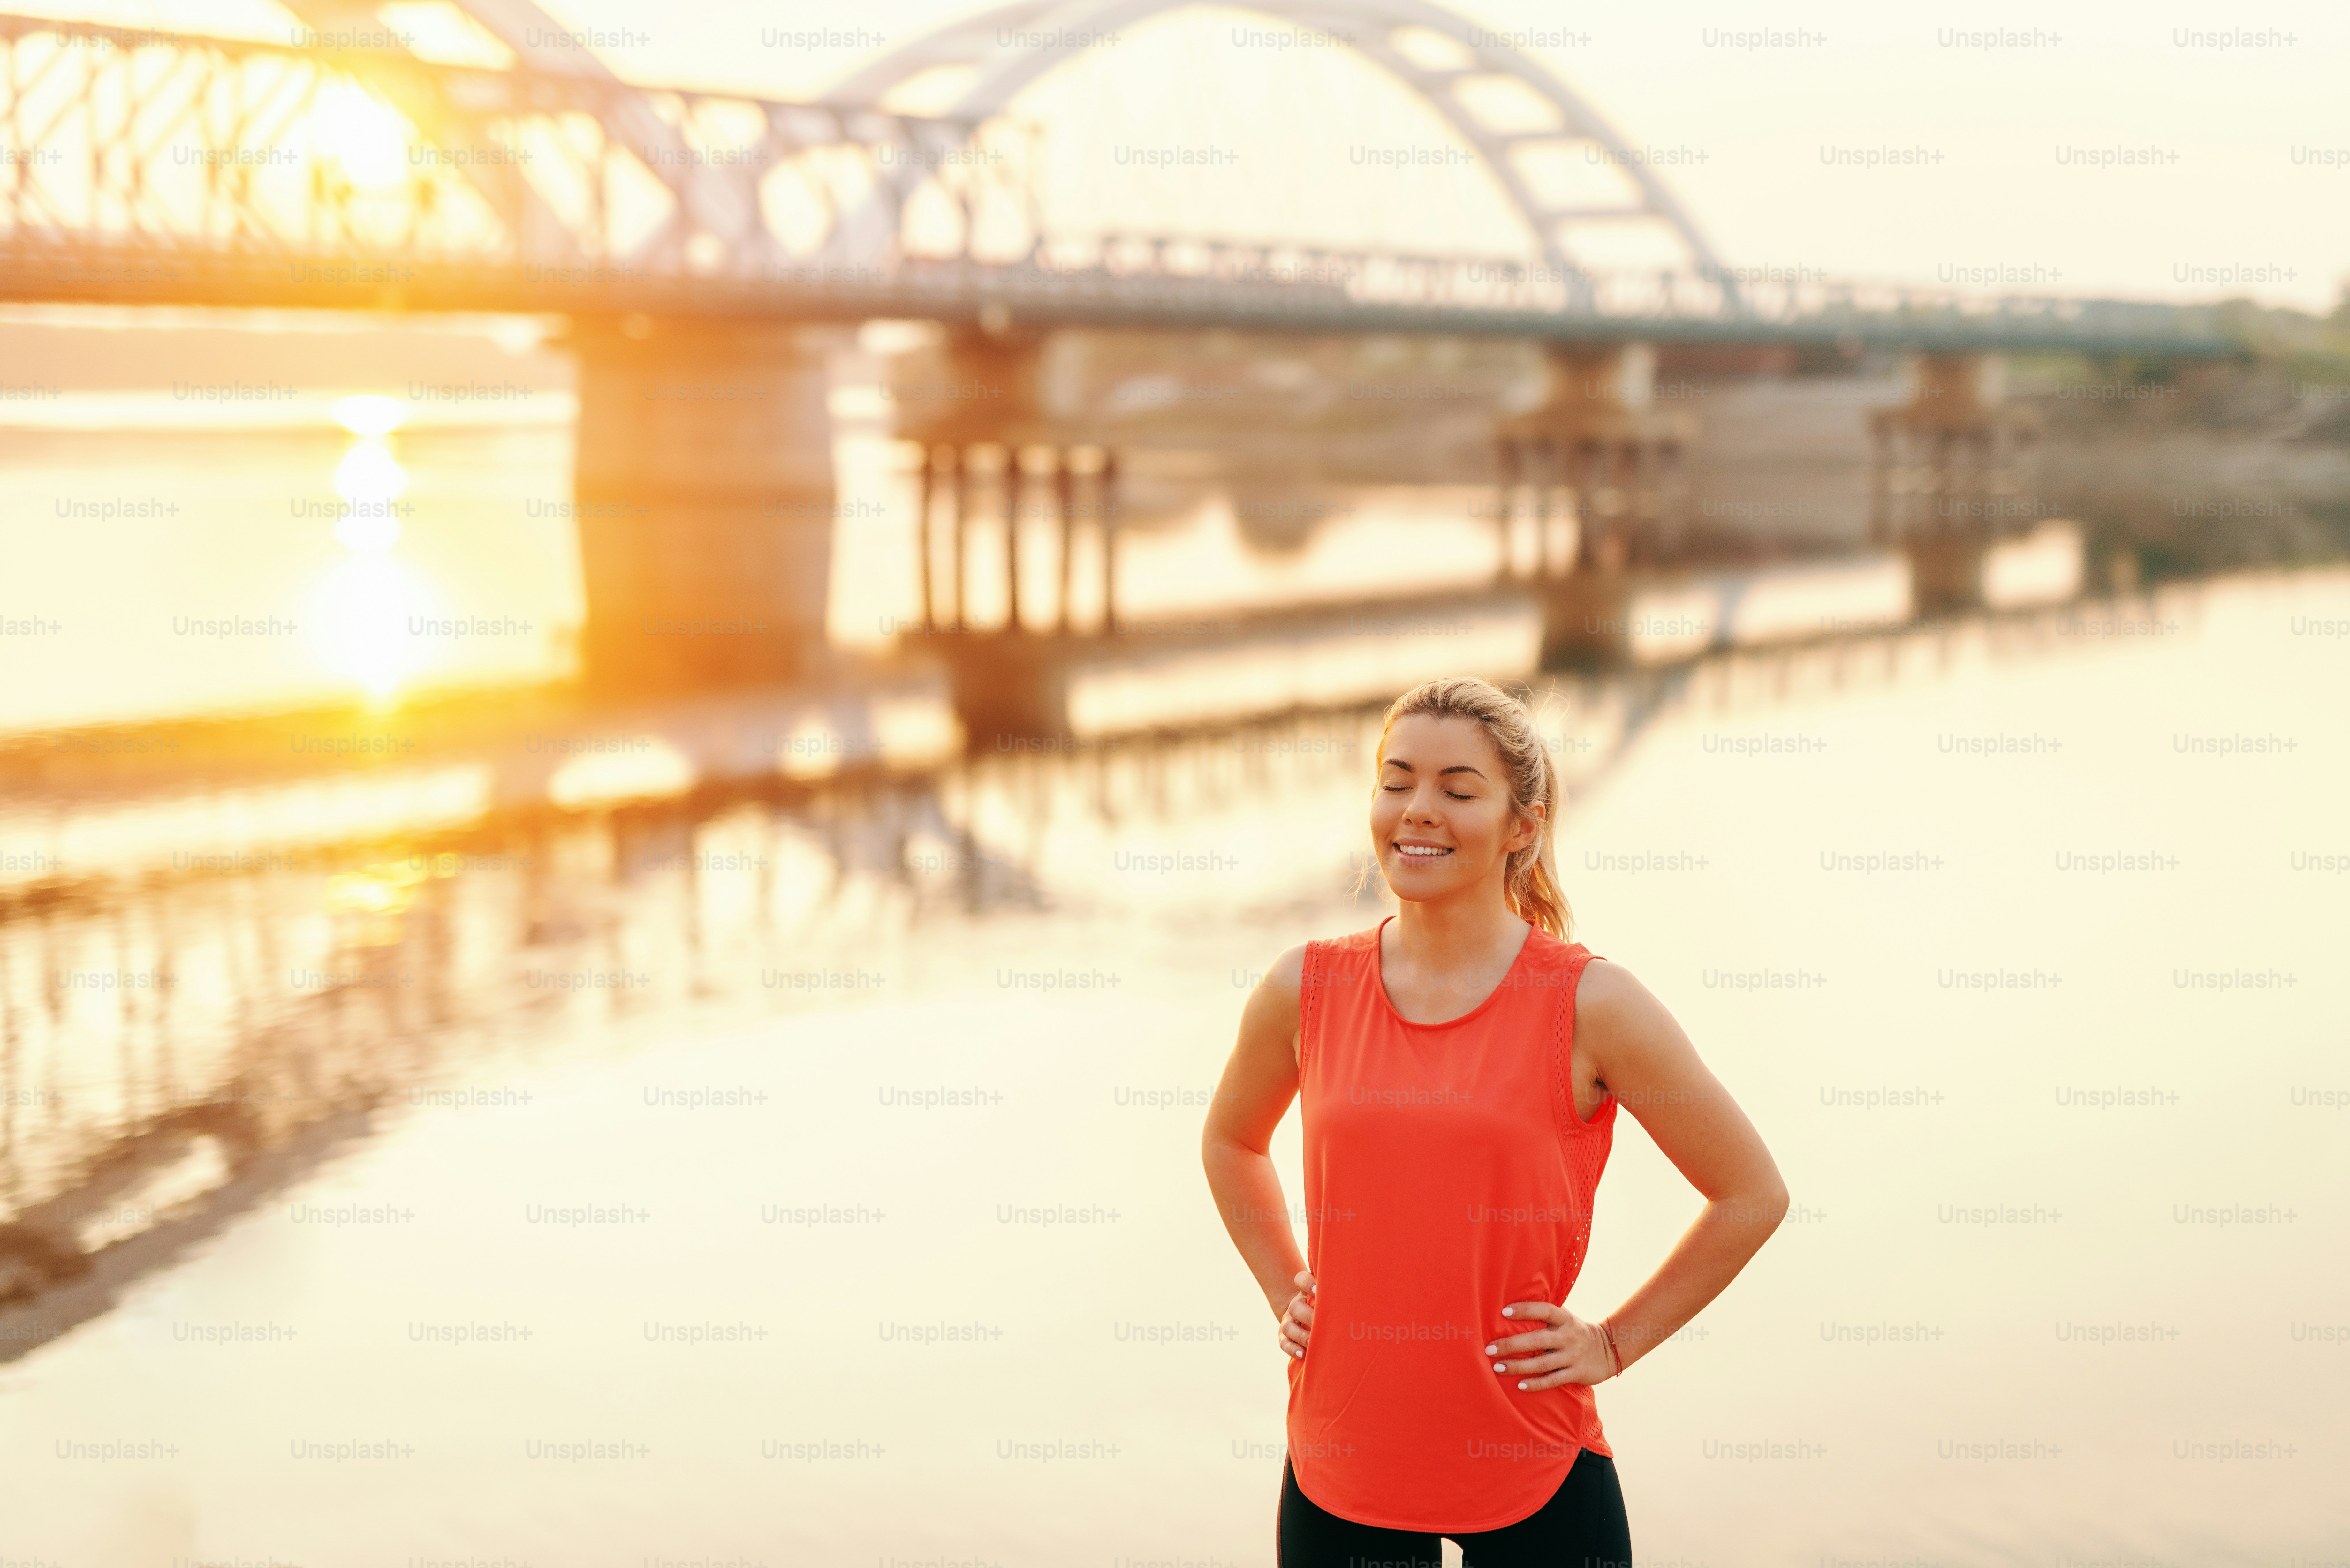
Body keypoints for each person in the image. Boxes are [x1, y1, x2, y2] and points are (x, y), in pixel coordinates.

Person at [1201, 675, 1790, 1566]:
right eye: (1396, 782)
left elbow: (1751, 1194)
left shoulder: (1593, 1004)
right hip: (1343, 1463)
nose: (1418, 810)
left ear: (1523, 825)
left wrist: (1613, 1344)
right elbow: (1232, 1141)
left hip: (1535, 1466)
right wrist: (1287, 1288)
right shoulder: (1303, 989)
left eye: (1458, 790)